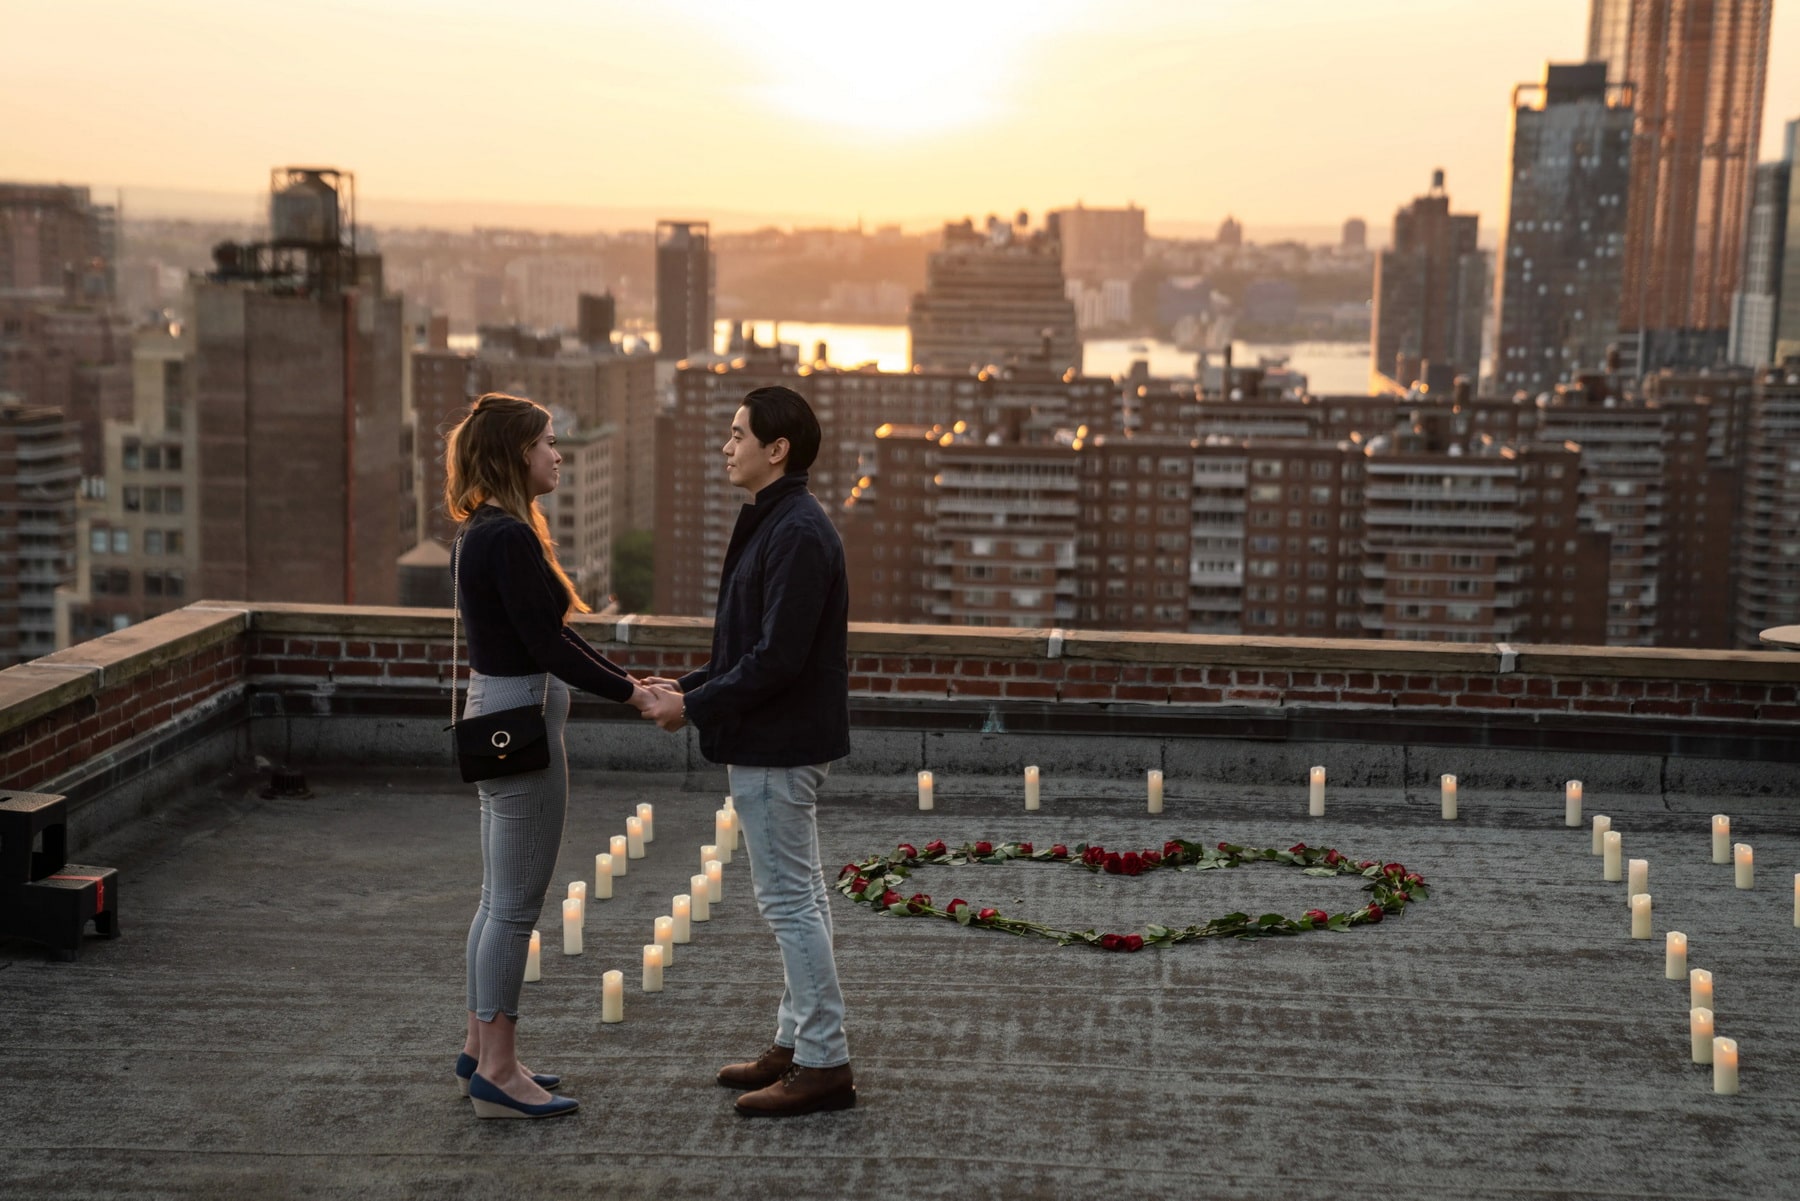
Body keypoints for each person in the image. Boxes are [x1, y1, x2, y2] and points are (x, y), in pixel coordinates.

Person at [642, 385, 855, 1118]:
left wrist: (692, 706)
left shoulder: (796, 531)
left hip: (778, 743)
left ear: (777, 449)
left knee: (789, 900)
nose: (727, 446)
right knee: (804, 896)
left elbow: (778, 660)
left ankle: (823, 1061)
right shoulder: (780, 521)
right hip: (776, 738)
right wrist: (687, 686)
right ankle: (797, 1043)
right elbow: (749, 649)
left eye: (738, 434)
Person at [445, 392, 655, 1119]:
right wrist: (634, 695)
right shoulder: (507, 537)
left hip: (498, 711)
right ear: (517, 454)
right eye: (548, 443)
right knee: (512, 909)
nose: (558, 455)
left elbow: (553, 635)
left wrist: (631, 683)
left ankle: (479, 1051)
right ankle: (498, 1073)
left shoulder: (482, 530)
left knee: (495, 901)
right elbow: (549, 646)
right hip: (519, 720)